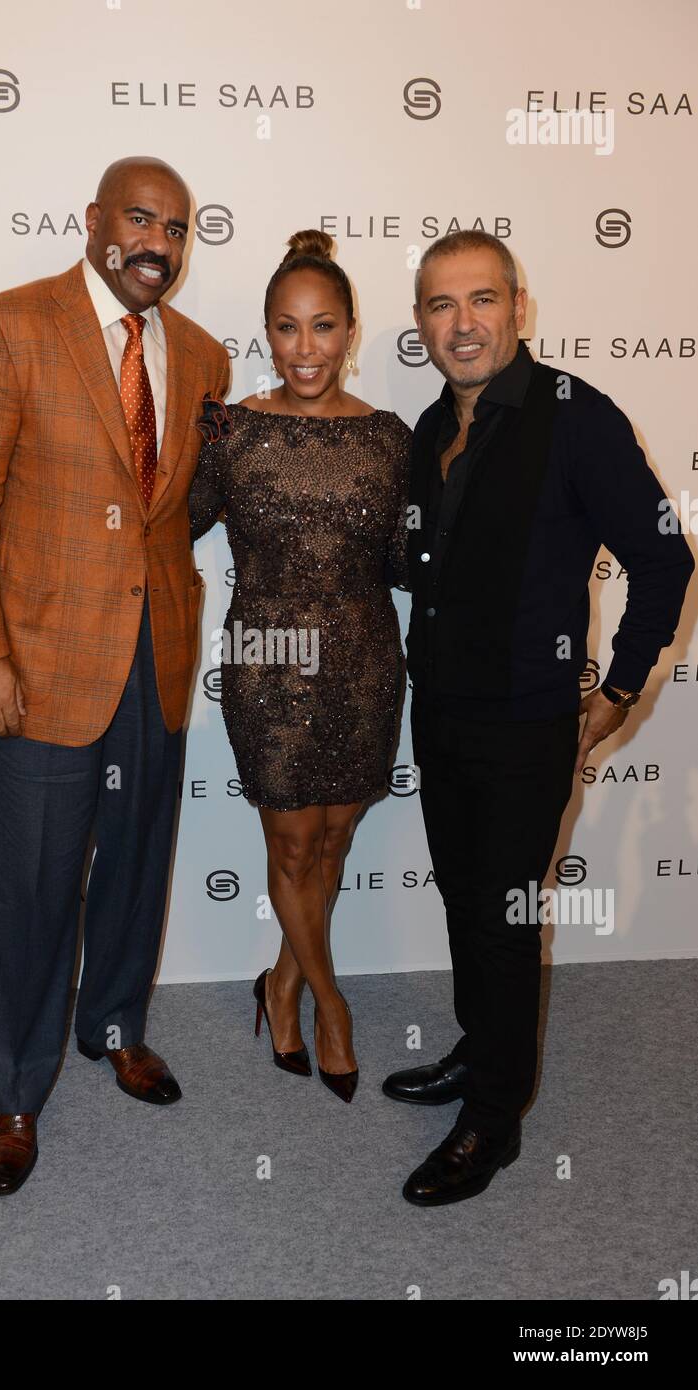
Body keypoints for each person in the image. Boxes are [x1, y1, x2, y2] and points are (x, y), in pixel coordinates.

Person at [0, 156, 230, 1196]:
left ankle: (114, 1026)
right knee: (33, 885)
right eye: (140, 219)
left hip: (157, 654)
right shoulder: (4, 327)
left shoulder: (202, 357)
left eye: (177, 227)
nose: (158, 241)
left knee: (137, 861)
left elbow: (180, 510)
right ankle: (15, 1088)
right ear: (94, 221)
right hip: (39, 664)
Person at [383, 230, 694, 1205]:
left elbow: (665, 562)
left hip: (525, 723)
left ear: (518, 307)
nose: (462, 323)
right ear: (422, 323)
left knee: (505, 918)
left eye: (481, 300)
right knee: (463, 899)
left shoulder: (576, 417)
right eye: (441, 305)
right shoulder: (433, 425)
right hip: (438, 710)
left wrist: (616, 693)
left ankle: (494, 1120)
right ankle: (482, 1053)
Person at [189, 229, 413, 1103]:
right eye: (287, 328)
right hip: (266, 661)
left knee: (333, 837)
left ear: (351, 332)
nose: (305, 348)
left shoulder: (392, 440)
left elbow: (403, 563)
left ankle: (280, 982)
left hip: (363, 661)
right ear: (267, 333)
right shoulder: (233, 431)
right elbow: (173, 527)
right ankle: (332, 1004)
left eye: (323, 327)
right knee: (290, 840)